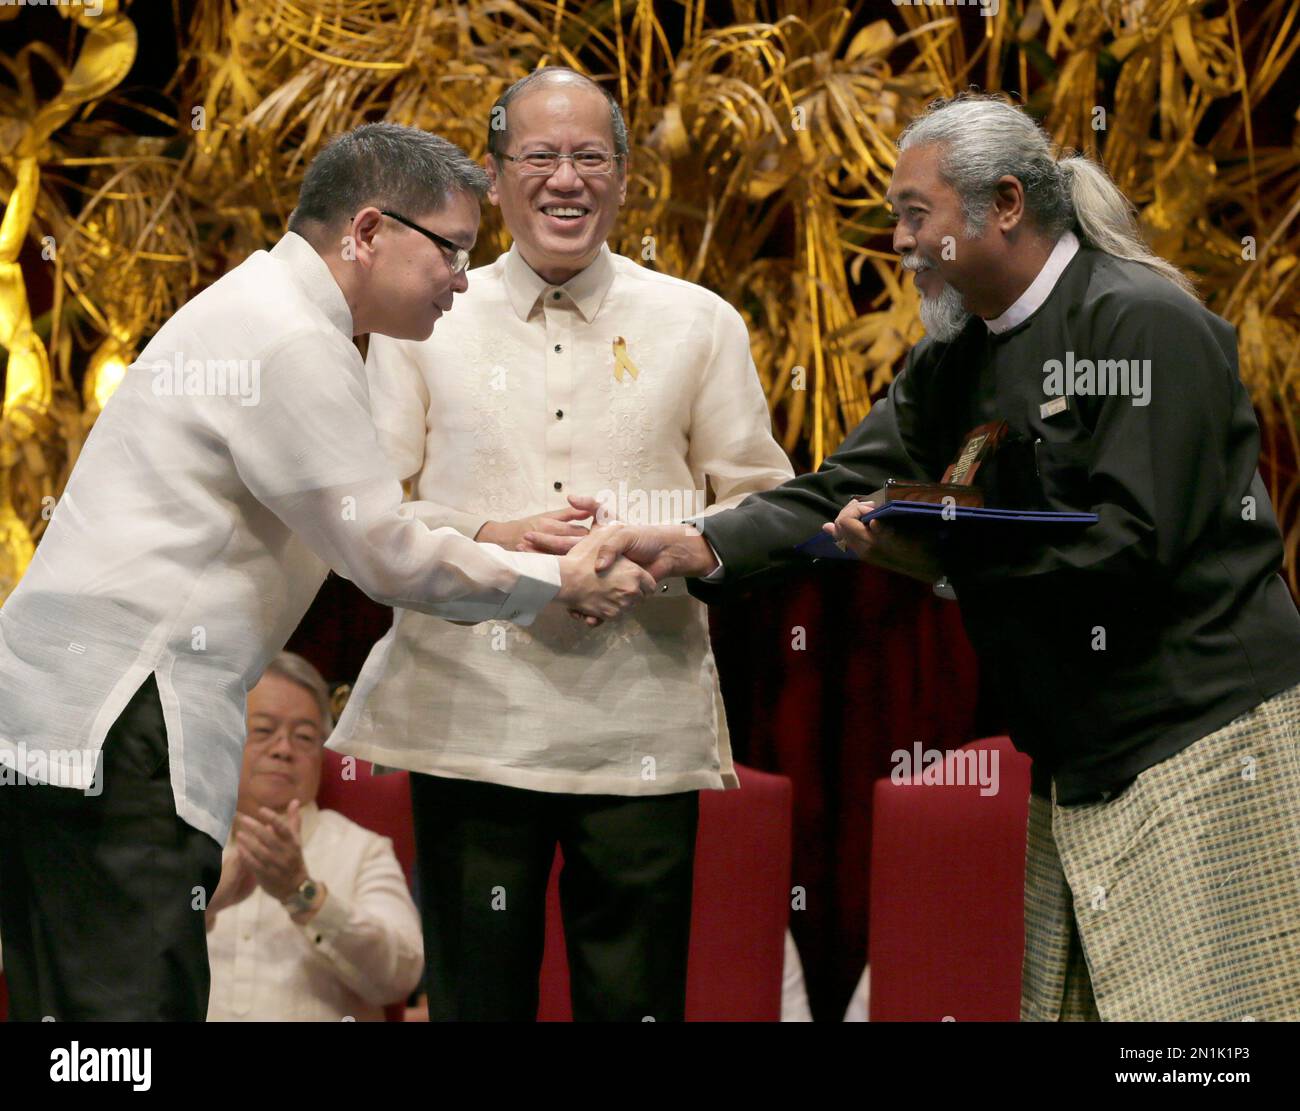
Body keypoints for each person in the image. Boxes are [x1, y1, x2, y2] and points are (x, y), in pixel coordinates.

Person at [537, 94, 1300, 1021]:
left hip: (1204, 744)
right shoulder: (955, 359)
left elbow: (1131, 550)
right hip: (1079, 760)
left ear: (1005, 204)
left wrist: (931, 559)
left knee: (1203, 1046)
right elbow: (834, 490)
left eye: (913, 214)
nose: (897, 241)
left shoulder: (1143, 324)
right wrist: (692, 543)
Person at [0, 122, 653, 1022]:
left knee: (72, 1018)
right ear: (370, 231)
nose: (464, 281)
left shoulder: (270, 312)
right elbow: (380, 553)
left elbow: (348, 512)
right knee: (130, 1019)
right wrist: (558, 583)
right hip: (126, 716)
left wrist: (498, 531)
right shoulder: (290, 340)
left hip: (70, 719)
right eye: (454, 250)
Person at [327, 68, 793, 1021]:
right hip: (470, 724)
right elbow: (368, 513)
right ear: (495, 181)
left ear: (624, 177)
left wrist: (678, 543)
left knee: (635, 1001)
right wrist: (499, 537)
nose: (564, 178)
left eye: (588, 157)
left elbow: (766, 506)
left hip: (639, 730)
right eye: (538, 157)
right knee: (474, 1002)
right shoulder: (424, 318)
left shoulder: (699, 323)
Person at [205, 653, 423, 1021]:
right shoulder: (186, 842)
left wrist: (302, 892)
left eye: (304, 737)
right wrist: (205, 907)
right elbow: (118, 963)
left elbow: (401, 974)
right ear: (229, 739)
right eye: (262, 730)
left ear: (321, 757)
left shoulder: (363, 851)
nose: (283, 749)